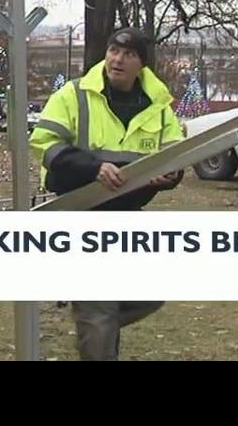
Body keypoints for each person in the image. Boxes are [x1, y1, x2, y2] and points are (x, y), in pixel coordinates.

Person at [29, 26, 185, 361]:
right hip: (79, 215)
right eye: (114, 50)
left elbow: (176, 154)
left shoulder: (158, 104)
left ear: (141, 64)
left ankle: (92, 313)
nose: (118, 59)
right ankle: (93, 314)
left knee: (151, 294)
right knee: (98, 316)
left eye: (128, 54)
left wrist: (170, 175)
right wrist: (92, 168)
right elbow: (43, 142)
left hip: (127, 217)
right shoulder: (74, 94)